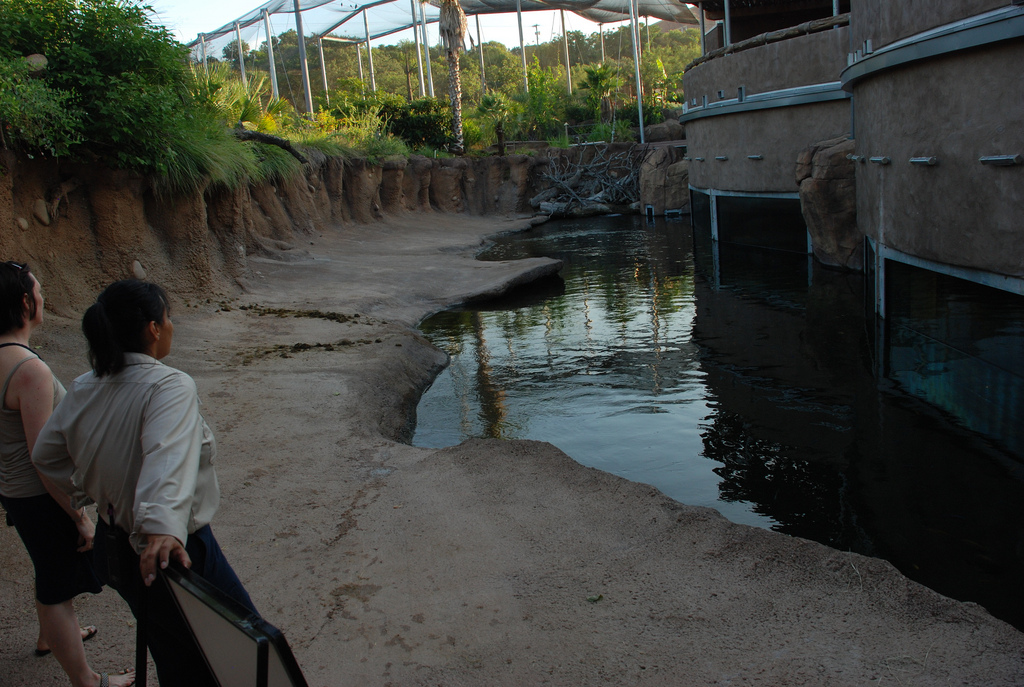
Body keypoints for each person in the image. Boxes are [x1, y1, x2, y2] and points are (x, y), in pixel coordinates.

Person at [33, 279, 257, 686]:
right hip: (172, 555)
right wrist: (161, 530)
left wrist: (91, 488)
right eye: (168, 318)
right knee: (245, 653)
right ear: (154, 328)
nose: (171, 326)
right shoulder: (169, 385)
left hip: (113, 545)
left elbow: (45, 455)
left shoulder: (86, 385)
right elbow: (165, 456)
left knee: (173, 653)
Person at [0, 262, 134, 687]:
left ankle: (51, 635)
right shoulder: (28, 370)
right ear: (25, 302)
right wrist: (79, 517)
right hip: (40, 496)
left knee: (49, 568)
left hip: (15, 491)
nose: (44, 298)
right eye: (39, 291)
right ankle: (87, 680)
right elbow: (44, 458)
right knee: (57, 586)